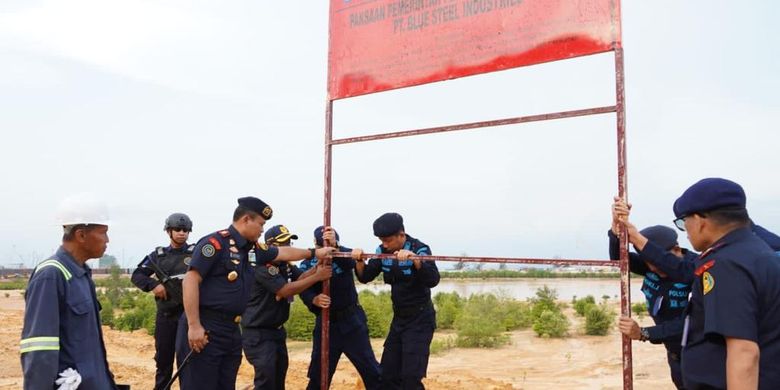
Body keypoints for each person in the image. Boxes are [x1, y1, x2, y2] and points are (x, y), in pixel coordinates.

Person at [176, 197, 335, 390]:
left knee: (226, 384)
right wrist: (194, 326)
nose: (262, 229)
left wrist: (314, 253)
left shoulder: (252, 250)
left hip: (232, 329)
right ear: (246, 220)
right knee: (200, 384)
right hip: (206, 327)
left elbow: (283, 253)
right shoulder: (216, 243)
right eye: (260, 224)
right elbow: (190, 280)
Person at [672, 178, 780, 389]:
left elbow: (743, 351)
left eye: (684, 222)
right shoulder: (760, 253)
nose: (685, 231)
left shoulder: (725, 264)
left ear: (699, 220)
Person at [20, 193, 119, 389]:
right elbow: (39, 349)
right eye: (103, 232)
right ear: (81, 235)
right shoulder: (50, 276)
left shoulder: (81, 275)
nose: (107, 239)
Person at [609, 197, 697, 389]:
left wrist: (644, 333)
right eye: (651, 265)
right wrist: (616, 229)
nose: (656, 269)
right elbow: (619, 259)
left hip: (699, 357)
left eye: (659, 263)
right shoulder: (650, 266)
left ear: (676, 250)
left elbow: (693, 323)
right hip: (674, 356)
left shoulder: (697, 270)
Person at [241, 224, 334, 390]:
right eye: (283, 243)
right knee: (266, 381)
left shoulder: (285, 265)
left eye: (288, 243)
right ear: (270, 246)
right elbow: (285, 290)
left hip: (276, 332)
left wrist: (316, 268)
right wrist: (317, 277)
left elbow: (300, 278)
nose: (287, 247)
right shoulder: (263, 267)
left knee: (278, 379)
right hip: (259, 334)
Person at [353, 212, 439, 389]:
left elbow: (433, 280)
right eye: (381, 240)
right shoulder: (382, 251)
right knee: (387, 375)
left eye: (388, 240)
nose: (384, 244)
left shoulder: (420, 249)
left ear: (401, 234)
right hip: (399, 319)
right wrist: (359, 261)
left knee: (410, 378)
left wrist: (416, 261)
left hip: (420, 319)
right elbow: (365, 277)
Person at [298, 226, 381, 390]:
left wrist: (336, 247)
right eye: (322, 246)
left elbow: (351, 263)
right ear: (315, 244)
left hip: (352, 322)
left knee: (371, 371)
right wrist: (313, 299)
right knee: (319, 374)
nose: (326, 249)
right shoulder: (307, 263)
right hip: (326, 323)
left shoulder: (343, 254)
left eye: (330, 245)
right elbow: (302, 287)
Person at [131, 212, 194, 390]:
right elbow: (137, 275)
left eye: (185, 230)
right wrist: (154, 285)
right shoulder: (158, 256)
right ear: (168, 231)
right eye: (178, 229)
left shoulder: (196, 253)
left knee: (189, 363)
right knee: (164, 361)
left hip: (189, 317)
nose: (182, 233)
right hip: (167, 316)